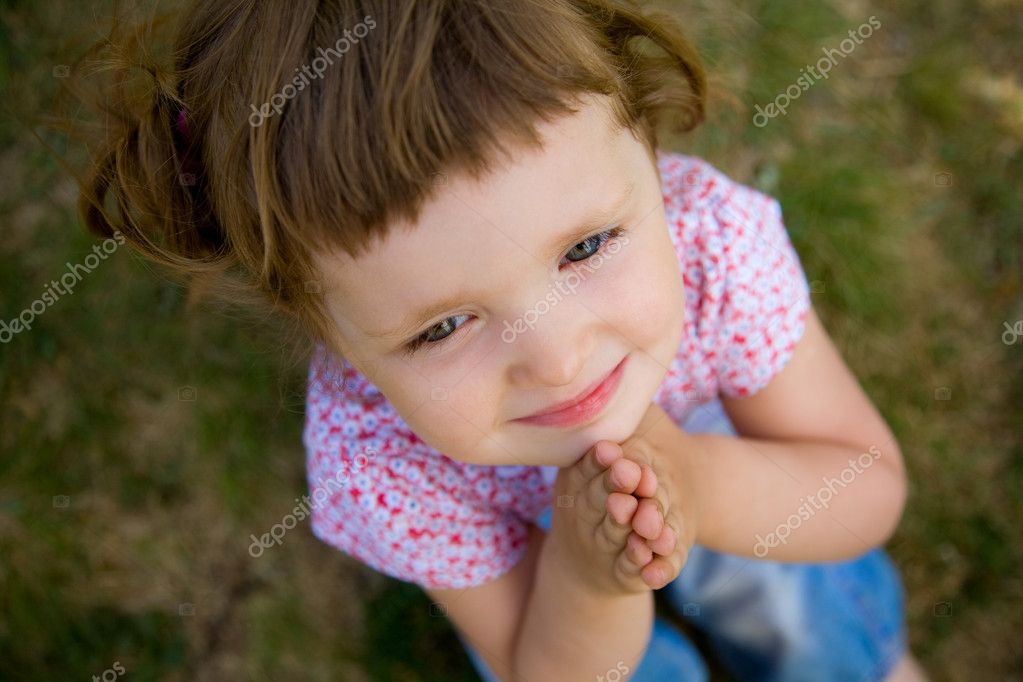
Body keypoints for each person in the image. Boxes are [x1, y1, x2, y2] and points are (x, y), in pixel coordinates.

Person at [75, 1, 929, 679]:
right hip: (564, 617)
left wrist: (694, 485)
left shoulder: (716, 255)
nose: (558, 360)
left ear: (647, 141)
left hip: (732, 466)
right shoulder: (382, 459)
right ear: (326, 334)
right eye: (443, 326)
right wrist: (593, 575)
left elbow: (862, 485)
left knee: (796, 598)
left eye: (586, 247)